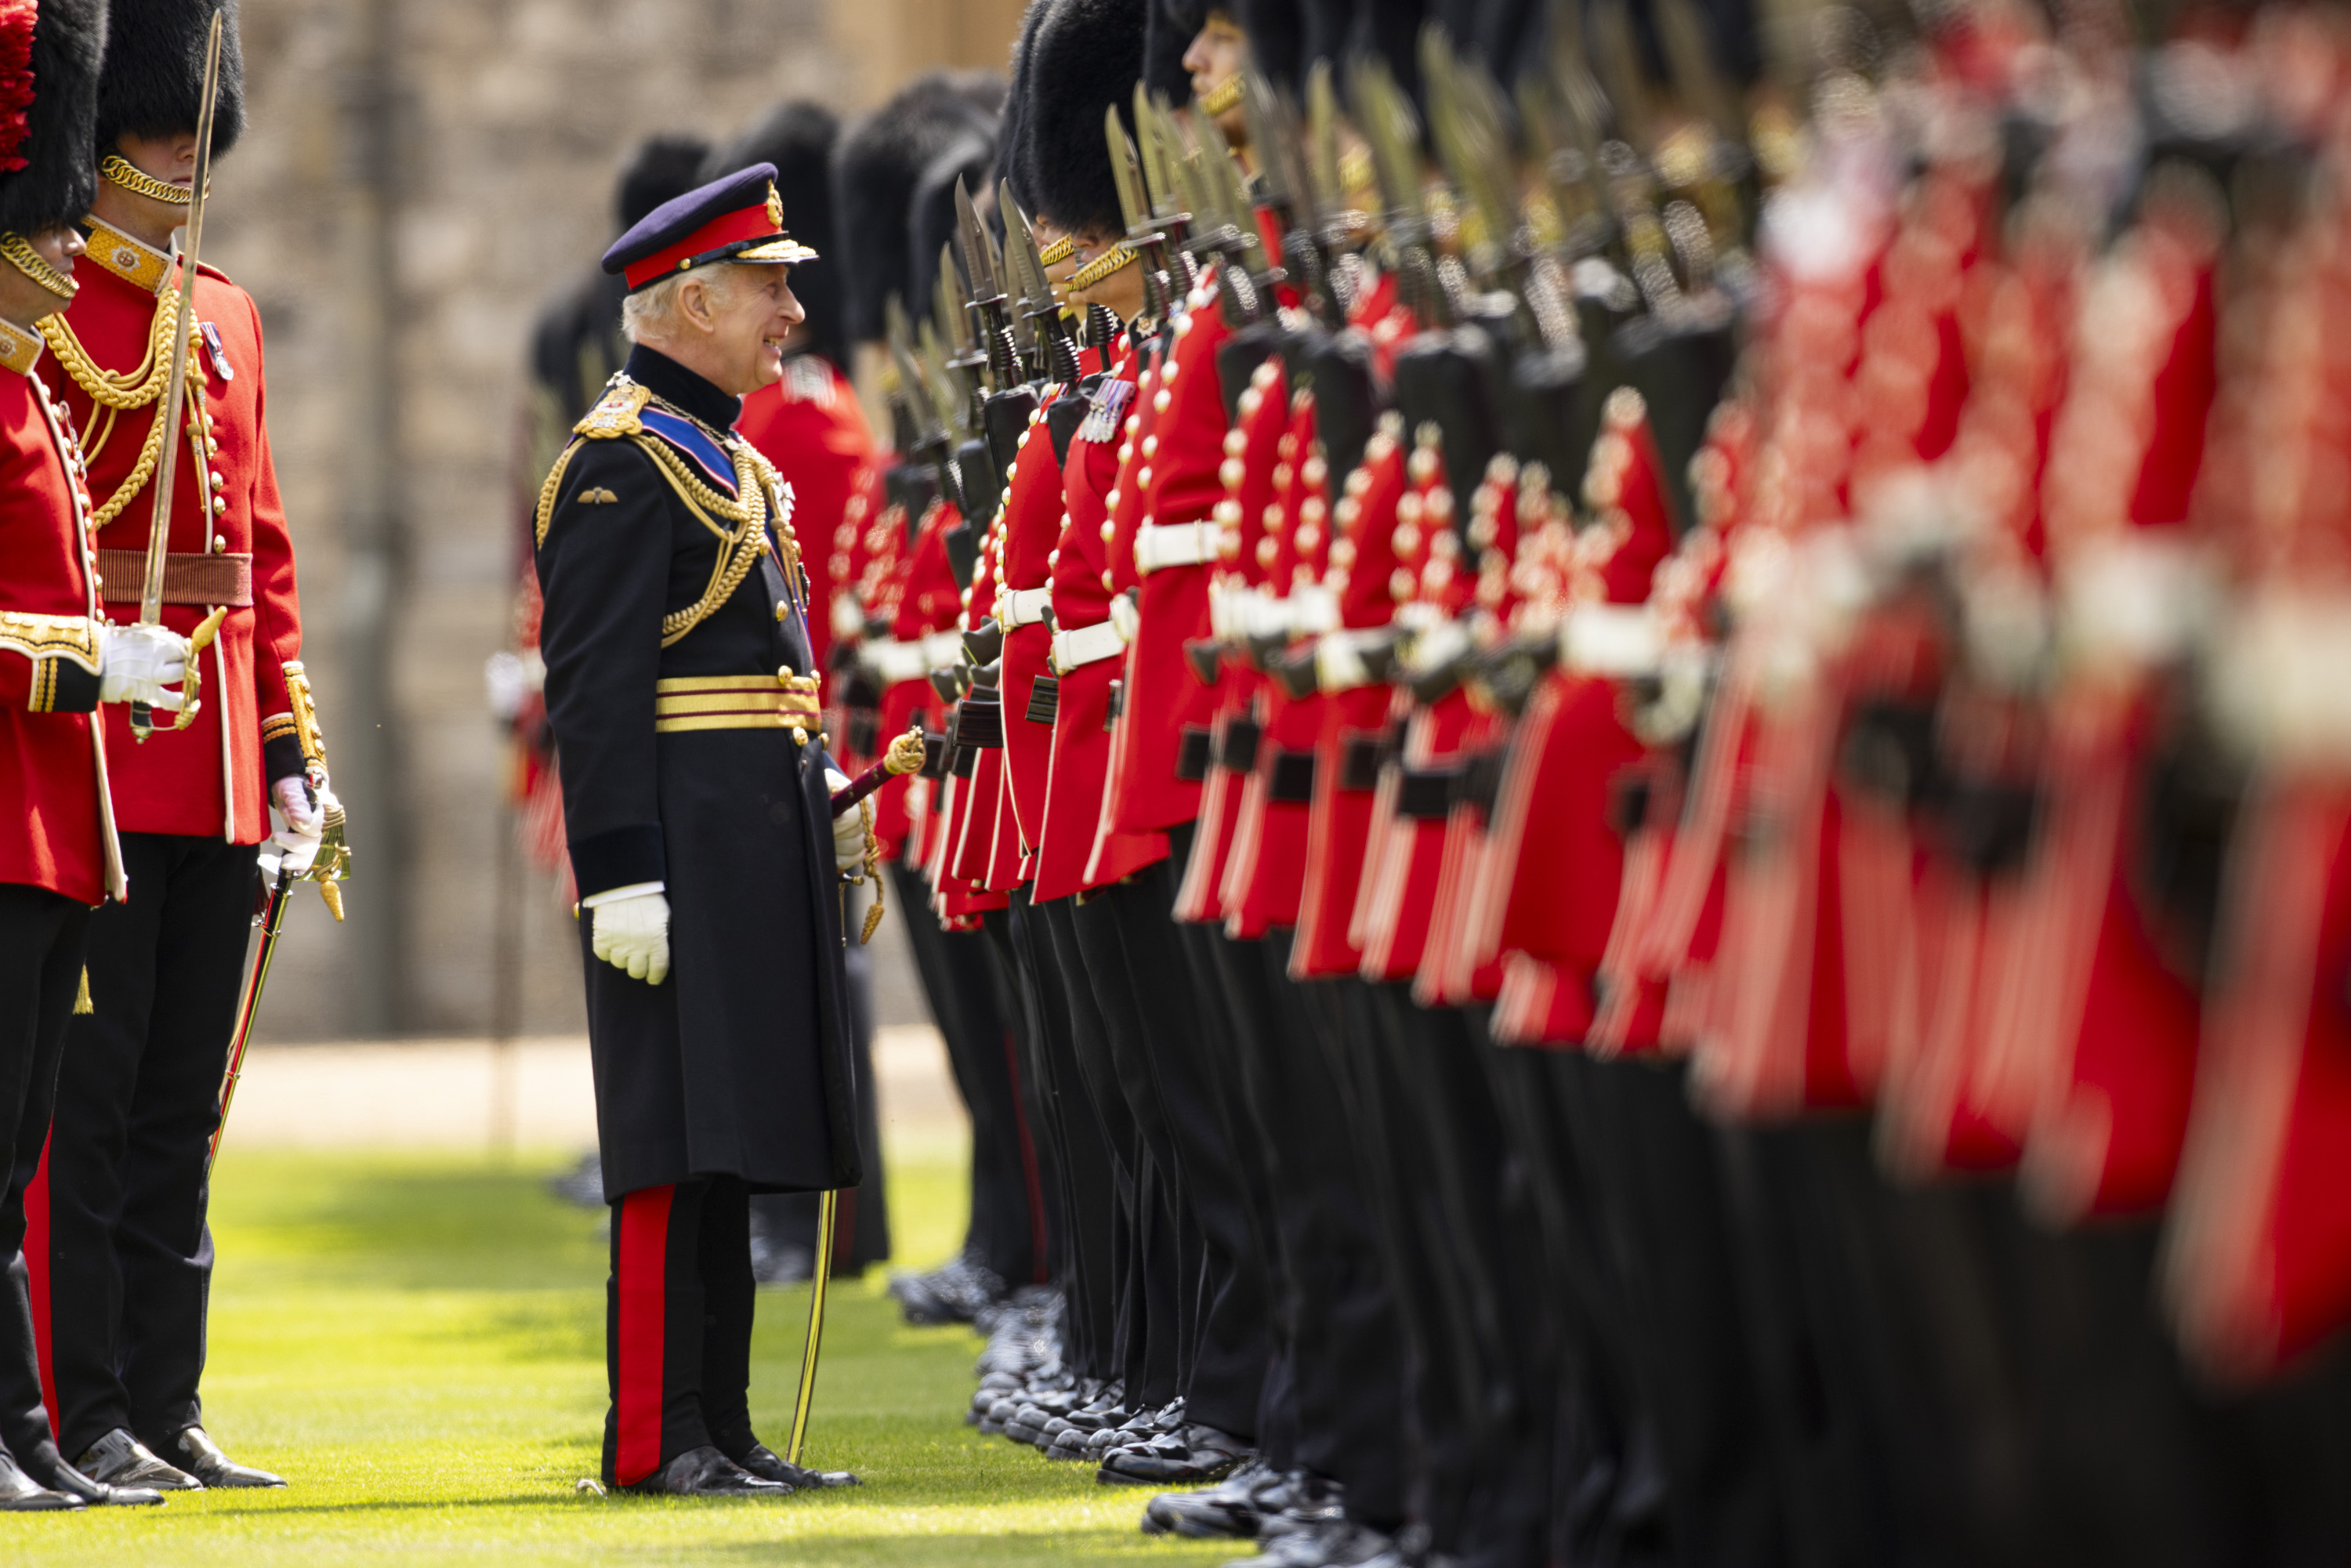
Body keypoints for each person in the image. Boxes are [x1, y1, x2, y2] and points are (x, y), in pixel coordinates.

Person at [532, 163, 867, 1498]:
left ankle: (719, 1425)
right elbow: (599, 694)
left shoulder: (730, 458)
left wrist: (823, 796)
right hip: (669, 851)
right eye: (769, 285)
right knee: (674, 1147)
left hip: (750, 836)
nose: (790, 310)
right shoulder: (621, 466)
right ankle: (653, 1435)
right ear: (689, 298)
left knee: (732, 1143)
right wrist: (620, 875)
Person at [31, 0, 327, 1495]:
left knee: (181, 1111)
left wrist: (285, 748)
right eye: (154, 133)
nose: (173, 160)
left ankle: (166, 1397)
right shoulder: (52, 305)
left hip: (212, 770)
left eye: (184, 130)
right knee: (85, 1110)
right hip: (101, 755)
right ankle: (80, 1410)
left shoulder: (225, 314)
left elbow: (261, 556)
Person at [0, 0, 184, 1512]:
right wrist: (81, 659)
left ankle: (21, 1432)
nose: (73, 251)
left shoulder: (26, 392)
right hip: (7, 815)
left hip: (54, 824)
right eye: (48, 226)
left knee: (10, 1162)